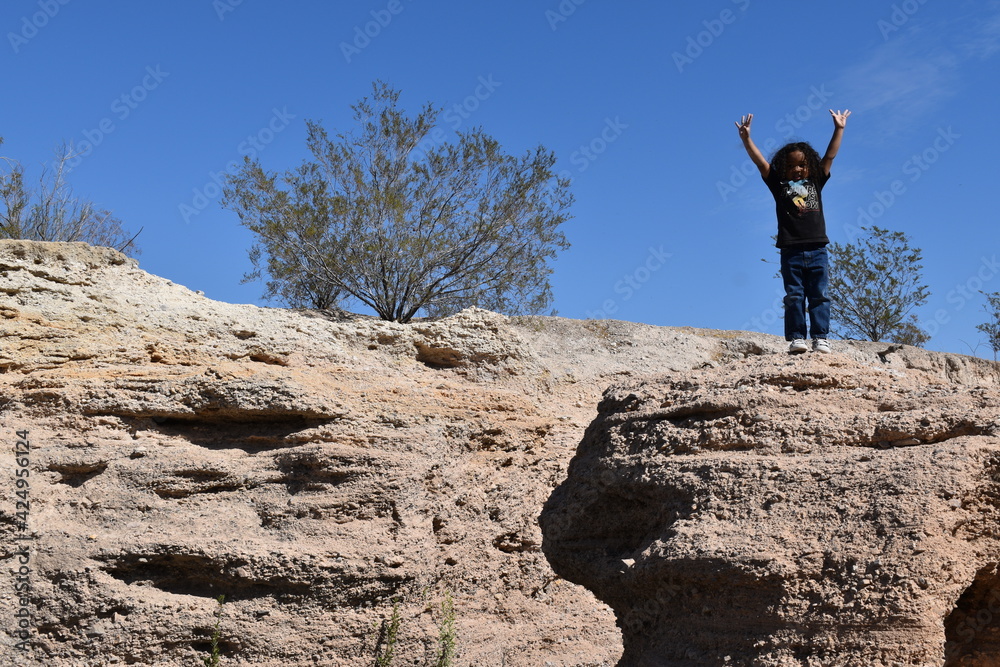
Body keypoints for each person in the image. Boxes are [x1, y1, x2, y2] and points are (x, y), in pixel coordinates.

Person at [735, 109, 851, 354]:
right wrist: (747, 140)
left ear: (810, 166)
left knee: (819, 294)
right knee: (794, 295)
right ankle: (797, 337)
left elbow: (830, 155)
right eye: (790, 166)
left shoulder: (816, 181)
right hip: (791, 251)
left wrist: (839, 129)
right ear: (783, 168)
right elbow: (761, 163)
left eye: (802, 164)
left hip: (817, 248)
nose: (797, 169)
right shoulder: (778, 185)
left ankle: (820, 337)